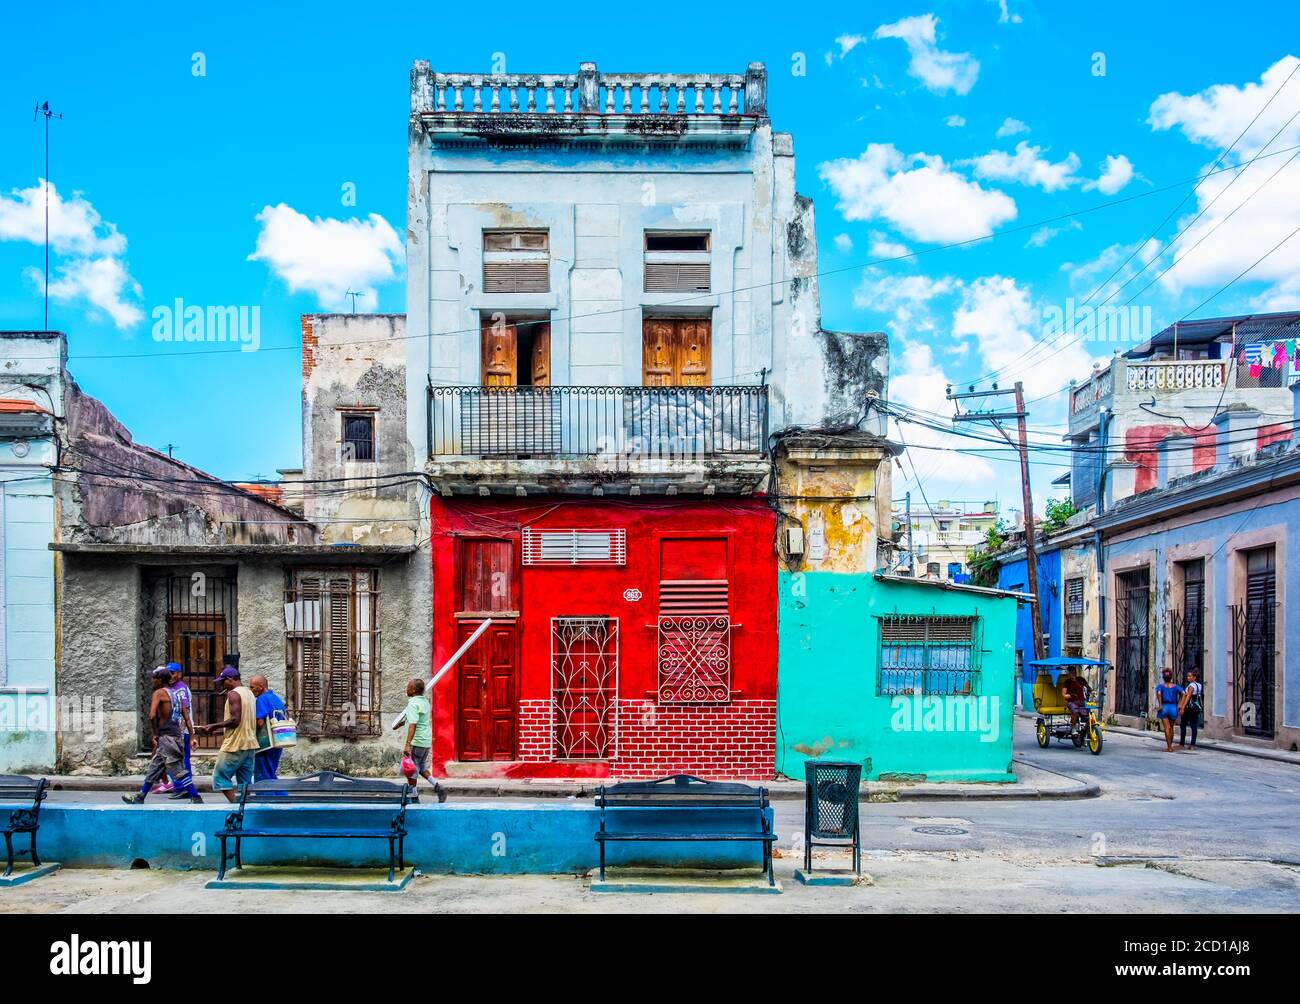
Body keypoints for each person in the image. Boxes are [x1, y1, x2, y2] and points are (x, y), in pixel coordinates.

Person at [123, 668, 202, 804]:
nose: (152, 681)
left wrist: (155, 733)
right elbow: (187, 718)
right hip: (176, 736)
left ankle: (195, 797)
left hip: (166, 736)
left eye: (154, 678)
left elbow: (152, 715)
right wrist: (192, 737)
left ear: (159, 680)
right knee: (155, 766)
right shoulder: (177, 694)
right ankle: (140, 796)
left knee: (177, 768)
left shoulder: (159, 693)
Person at [196, 661, 259, 802]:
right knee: (245, 783)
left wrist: (214, 726)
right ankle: (245, 808)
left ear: (230, 679)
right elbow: (244, 721)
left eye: (223, 681)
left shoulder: (233, 694)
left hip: (235, 745)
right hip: (249, 744)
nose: (222, 685)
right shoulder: (249, 693)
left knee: (219, 778)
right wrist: (218, 731)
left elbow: (235, 720)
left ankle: (235, 805)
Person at [393, 678, 446, 803]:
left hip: (416, 741)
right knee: (420, 767)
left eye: (408, 686)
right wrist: (399, 724)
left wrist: (407, 744)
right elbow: (417, 720)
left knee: (410, 769)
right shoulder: (425, 702)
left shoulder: (412, 704)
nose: (406, 689)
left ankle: (414, 796)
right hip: (425, 741)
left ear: (413, 690)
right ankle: (438, 786)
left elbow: (413, 724)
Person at [152, 662, 195, 797]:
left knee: (180, 761)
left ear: (179, 674)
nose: (170, 676)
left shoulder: (180, 689)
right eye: (168, 673)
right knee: (167, 760)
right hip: (175, 732)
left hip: (179, 732)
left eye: (173, 673)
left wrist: (181, 732)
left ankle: (184, 788)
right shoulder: (172, 689)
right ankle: (182, 787)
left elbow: (185, 712)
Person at [249, 674, 287, 782]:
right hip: (278, 741)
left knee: (263, 776)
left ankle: (266, 798)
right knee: (271, 773)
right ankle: (280, 797)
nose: (250, 690)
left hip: (266, 744)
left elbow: (260, 722)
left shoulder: (262, 699)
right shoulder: (275, 698)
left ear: (260, 687)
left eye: (252, 687)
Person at [1154, 669, 1185, 753]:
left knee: (1166, 728)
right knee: (1171, 727)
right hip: (1173, 707)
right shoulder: (1175, 686)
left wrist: (1160, 705)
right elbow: (1183, 693)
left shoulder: (1160, 686)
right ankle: (1170, 745)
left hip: (1164, 706)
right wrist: (1180, 704)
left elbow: (1159, 694)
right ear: (1171, 677)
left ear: (1163, 677)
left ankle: (1169, 747)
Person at [1178, 669, 1204, 751]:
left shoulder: (1191, 686)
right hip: (1195, 709)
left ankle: (1182, 743)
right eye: (1187, 676)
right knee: (1194, 726)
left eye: (1190, 676)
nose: (1188, 677)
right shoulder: (1199, 685)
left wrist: (1182, 707)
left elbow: (1188, 696)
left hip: (1188, 708)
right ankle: (1193, 744)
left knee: (1183, 725)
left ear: (1194, 677)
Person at [1061, 670, 1091, 735]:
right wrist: (1071, 695)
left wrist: (1090, 690)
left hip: (1082, 701)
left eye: (1074, 673)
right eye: (1071, 673)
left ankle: (1084, 730)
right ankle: (1073, 728)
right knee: (1075, 713)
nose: (1072, 674)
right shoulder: (1067, 682)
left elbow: (1088, 687)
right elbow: (1064, 695)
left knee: (1090, 716)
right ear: (1068, 674)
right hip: (1071, 702)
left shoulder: (1080, 679)